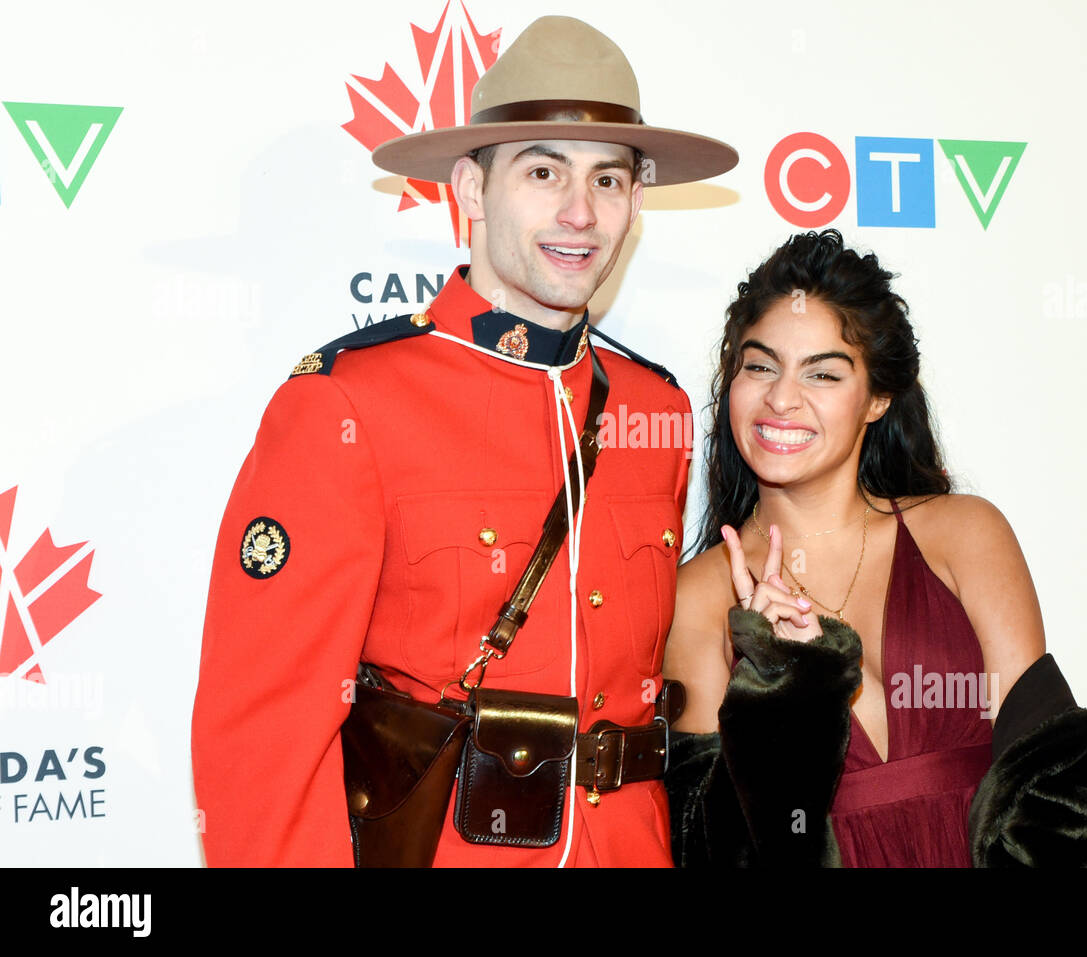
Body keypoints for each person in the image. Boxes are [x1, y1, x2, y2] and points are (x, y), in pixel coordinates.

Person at [190, 15, 737, 867]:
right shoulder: (348, 403)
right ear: (473, 192)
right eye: (543, 171)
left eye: (610, 178)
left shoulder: (653, 410)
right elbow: (265, 736)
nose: (580, 212)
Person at [664, 229, 1087, 867]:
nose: (780, 397)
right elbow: (719, 852)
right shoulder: (697, 596)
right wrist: (783, 698)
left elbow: (1043, 780)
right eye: (759, 365)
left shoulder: (963, 534)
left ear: (878, 398)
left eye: (823, 373)